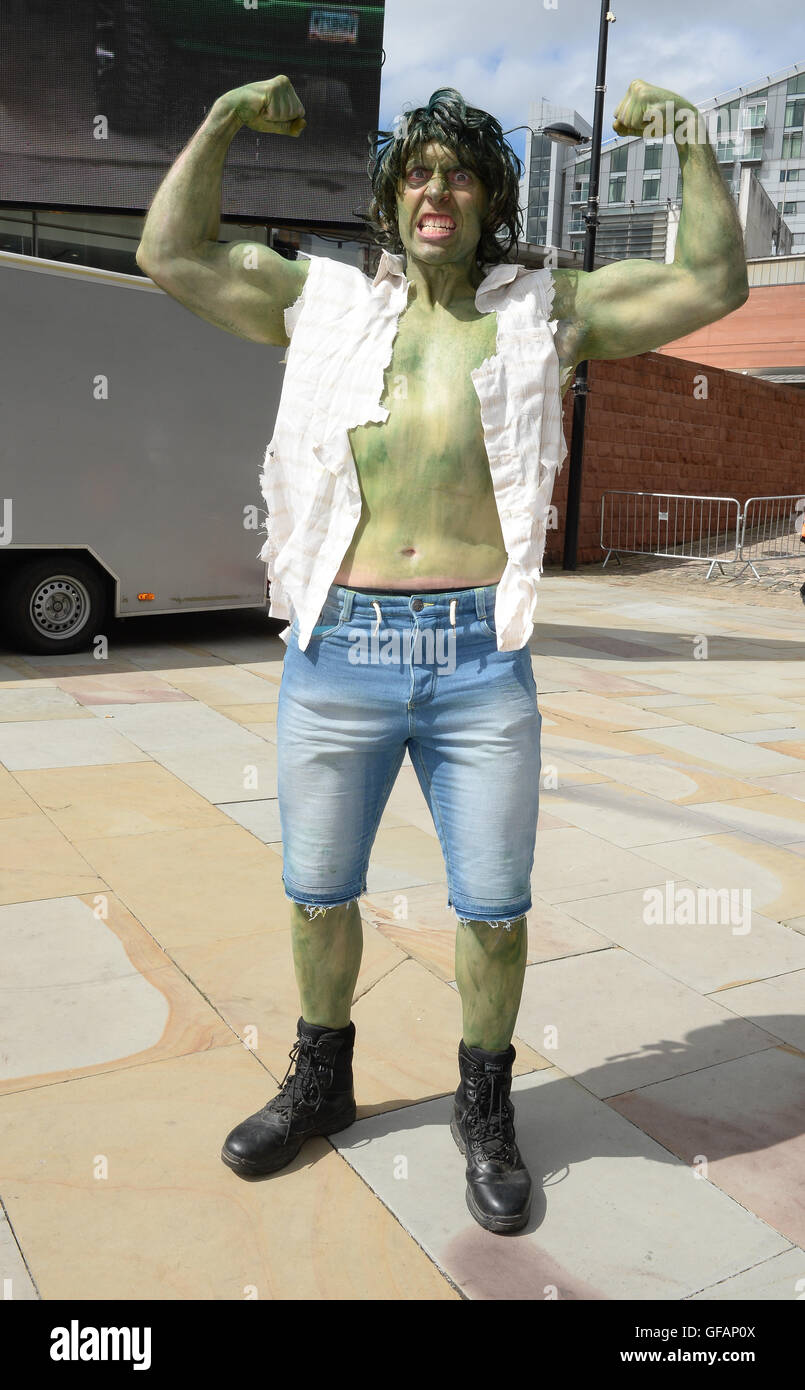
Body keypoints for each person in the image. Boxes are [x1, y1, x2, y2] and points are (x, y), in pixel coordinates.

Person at [136, 75, 748, 1234]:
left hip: (476, 659)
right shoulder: (321, 303)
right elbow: (173, 254)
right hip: (338, 651)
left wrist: (691, 144)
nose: (436, 188)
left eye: (459, 172)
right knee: (317, 897)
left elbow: (712, 281)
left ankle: (484, 1105)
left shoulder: (541, 311)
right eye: (416, 169)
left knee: (494, 909)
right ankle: (322, 1081)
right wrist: (217, 118)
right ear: (388, 192)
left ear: (489, 199)